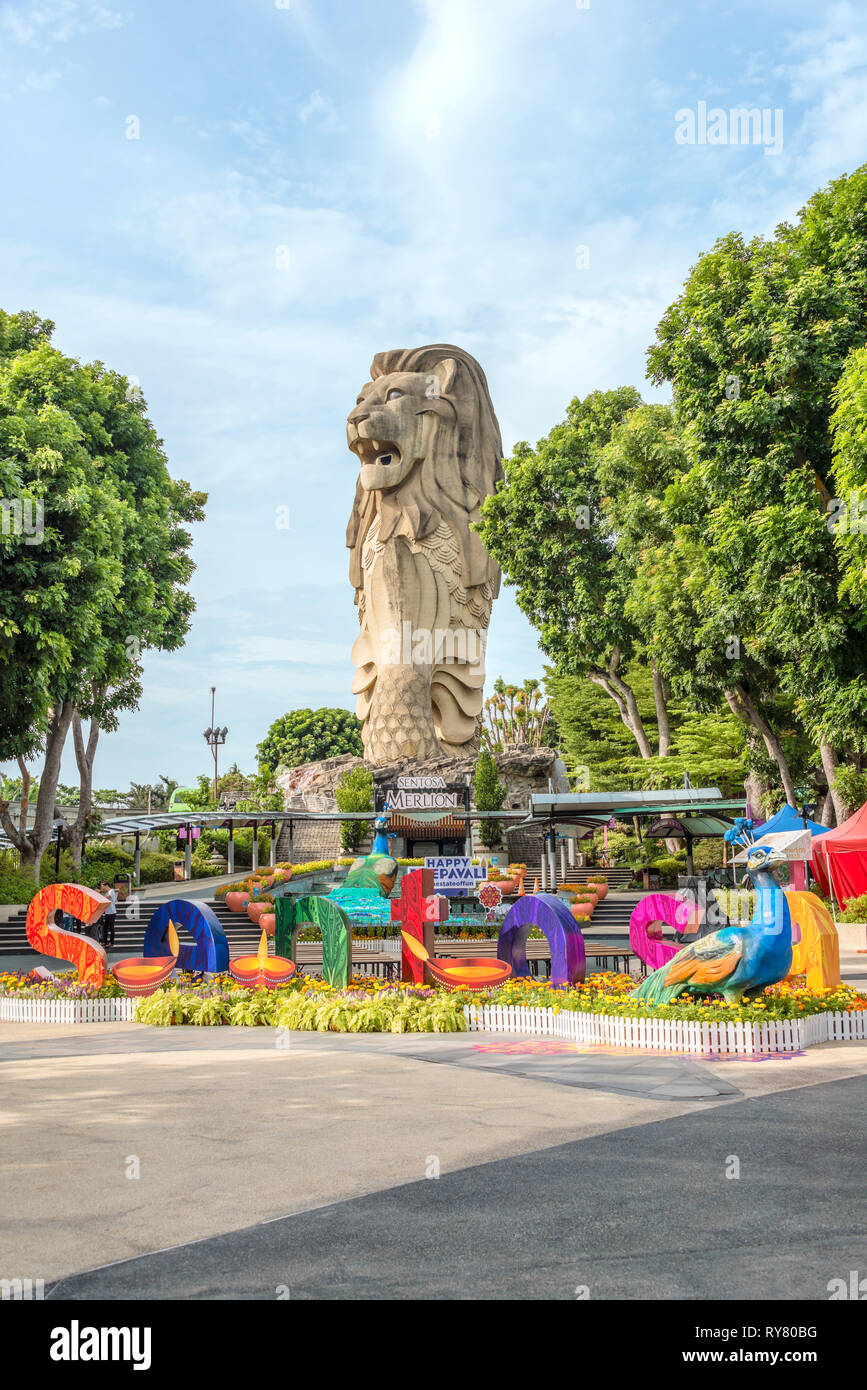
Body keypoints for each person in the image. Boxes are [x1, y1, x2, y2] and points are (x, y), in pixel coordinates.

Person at [99, 881, 117, 950]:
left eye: (102, 886)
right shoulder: (107, 892)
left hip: (112, 913)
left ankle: (111, 942)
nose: (102, 888)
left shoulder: (111, 891)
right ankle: (105, 942)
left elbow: (107, 897)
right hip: (107, 913)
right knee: (105, 928)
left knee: (112, 928)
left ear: (106, 885)